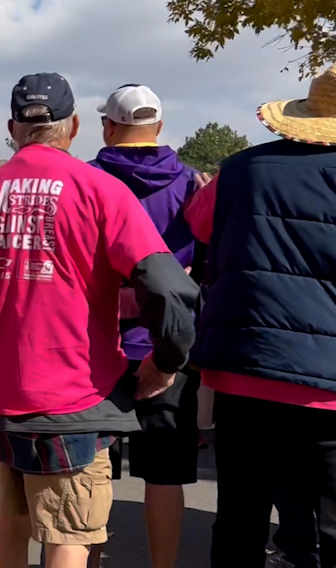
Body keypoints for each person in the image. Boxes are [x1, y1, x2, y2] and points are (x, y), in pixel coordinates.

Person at [0, 73, 197, 568]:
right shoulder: (101, 190)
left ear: (12, 129)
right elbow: (168, 286)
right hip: (75, 395)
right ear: (74, 126)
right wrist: (166, 361)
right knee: (69, 534)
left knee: (10, 519)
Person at [184, 66, 336, 568]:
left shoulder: (241, 169)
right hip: (330, 379)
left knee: (240, 517)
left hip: (248, 365)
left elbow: (198, 224)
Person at [90, 83, 203, 568]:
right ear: (158, 126)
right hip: (170, 340)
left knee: (93, 471)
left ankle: (88, 561)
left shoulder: (88, 179)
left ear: (107, 127)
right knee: (165, 475)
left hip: (99, 344)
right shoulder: (192, 183)